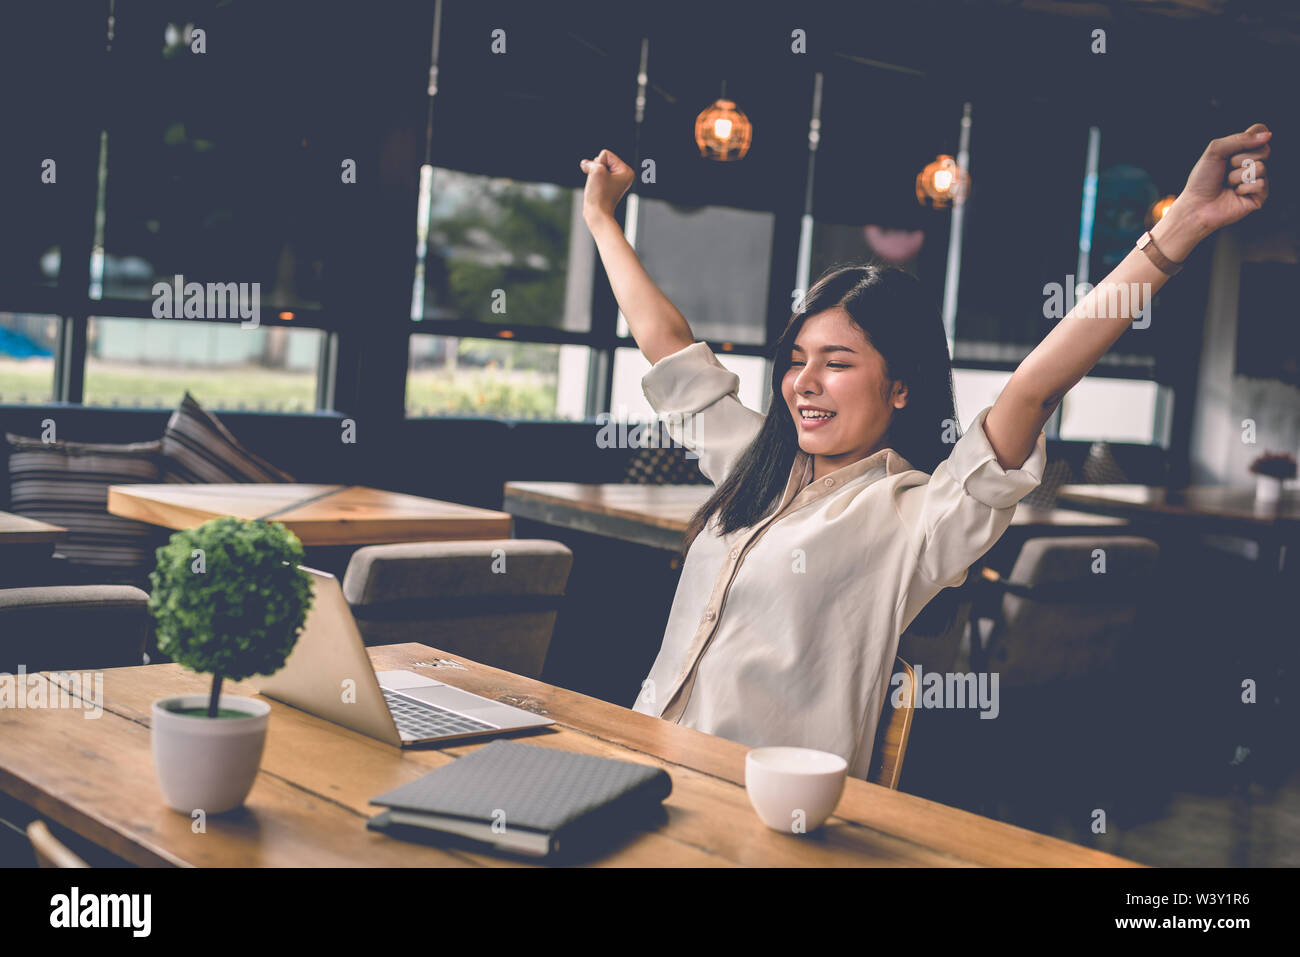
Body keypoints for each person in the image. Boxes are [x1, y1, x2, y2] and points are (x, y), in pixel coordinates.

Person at [578, 124, 1272, 779]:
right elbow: (668, 344)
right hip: (646, 762)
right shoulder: (752, 462)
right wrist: (603, 220)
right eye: (796, 359)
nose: (805, 383)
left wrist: (1176, 230)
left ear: (901, 386)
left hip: (759, 816)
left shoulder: (918, 517)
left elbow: (1032, 387)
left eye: (838, 362)